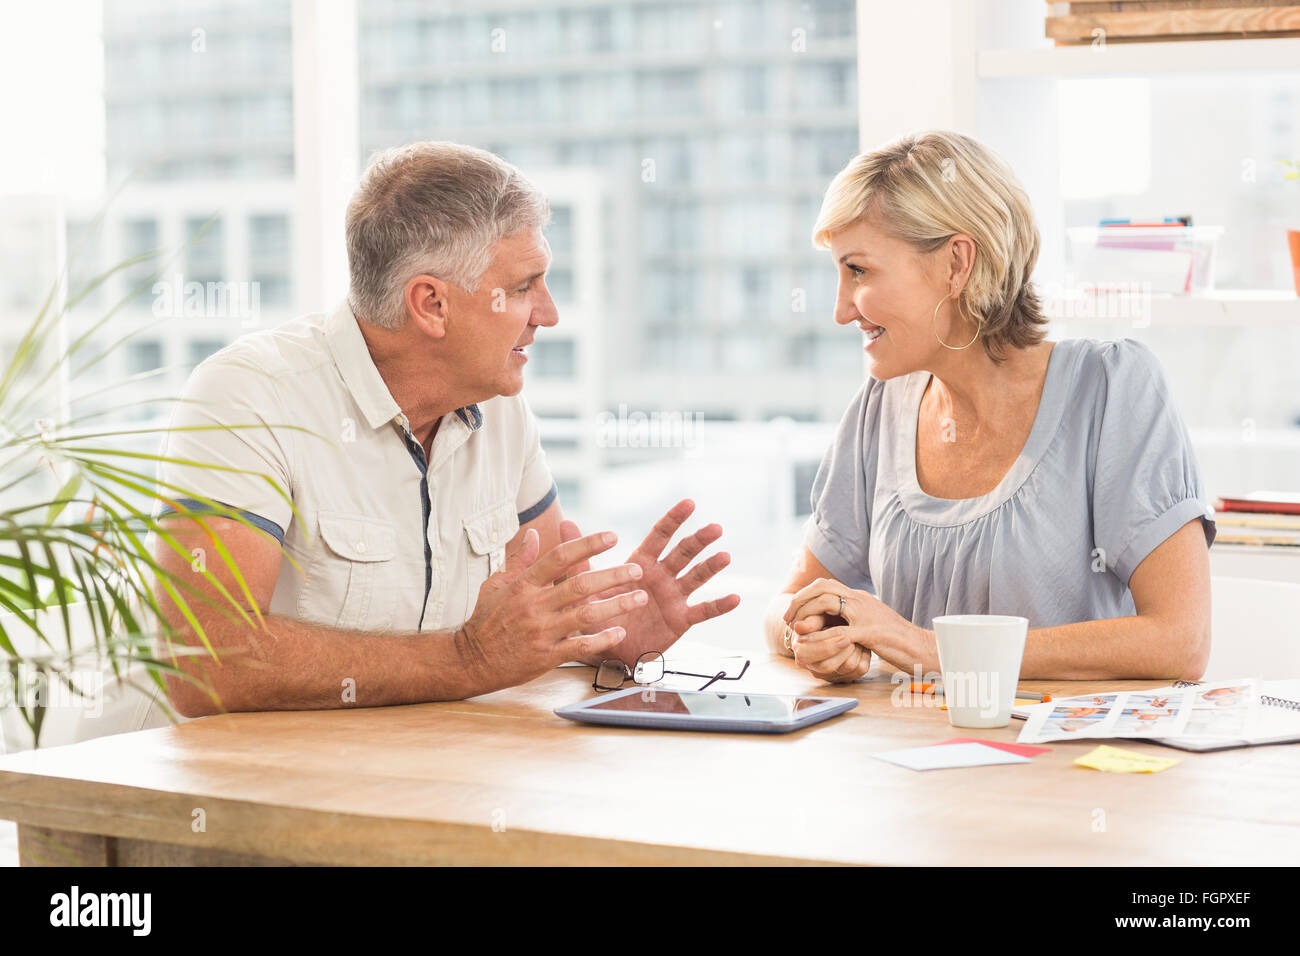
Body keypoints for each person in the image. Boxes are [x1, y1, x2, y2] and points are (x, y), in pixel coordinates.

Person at [153, 141, 739, 717]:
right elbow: (206, 665)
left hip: (416, 778)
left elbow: (535, 623)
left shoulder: (500, 405)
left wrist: (606, 639)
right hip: (234, 796)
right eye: (521, 287)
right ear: (431, 303)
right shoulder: (247, 397)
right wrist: (468, 659)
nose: (549, 313)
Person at [764, 130, 1216, 683]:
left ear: (956, 264)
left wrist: (933, 651)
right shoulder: (878, 411)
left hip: (1069, 764)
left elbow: (1180, 640)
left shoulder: (1110, 389)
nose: (840, 310)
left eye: (858, 271)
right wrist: (807, 634)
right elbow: (785, 605)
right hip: (903, 760)